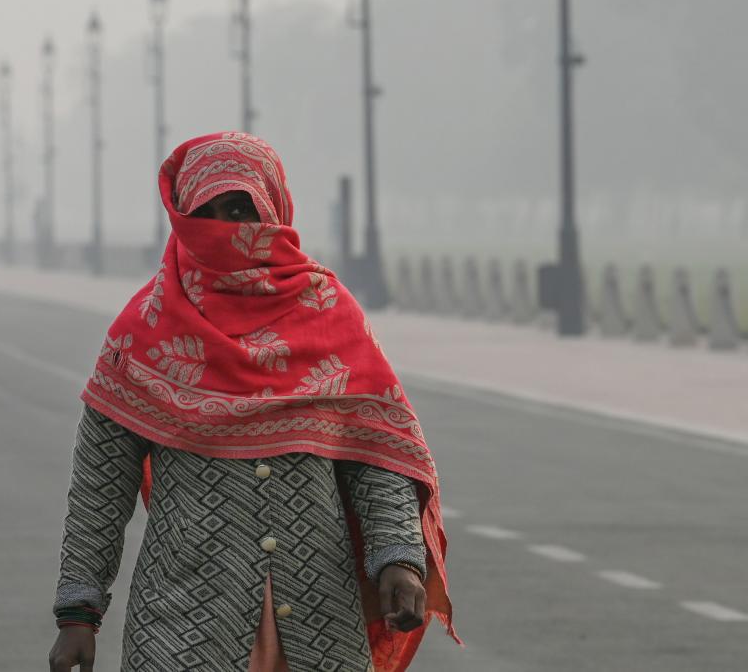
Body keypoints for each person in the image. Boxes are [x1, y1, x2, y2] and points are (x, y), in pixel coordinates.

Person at [48, 132, 455, 672]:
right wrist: (78, 613)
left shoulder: (330, 314)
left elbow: (376, 458)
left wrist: (398, 560)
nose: (225, 228)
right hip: (180, 624)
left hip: (320, 619)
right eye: (207, 213)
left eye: (240, 208)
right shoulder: (143, 334)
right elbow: (100, 487)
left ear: (273, 209)